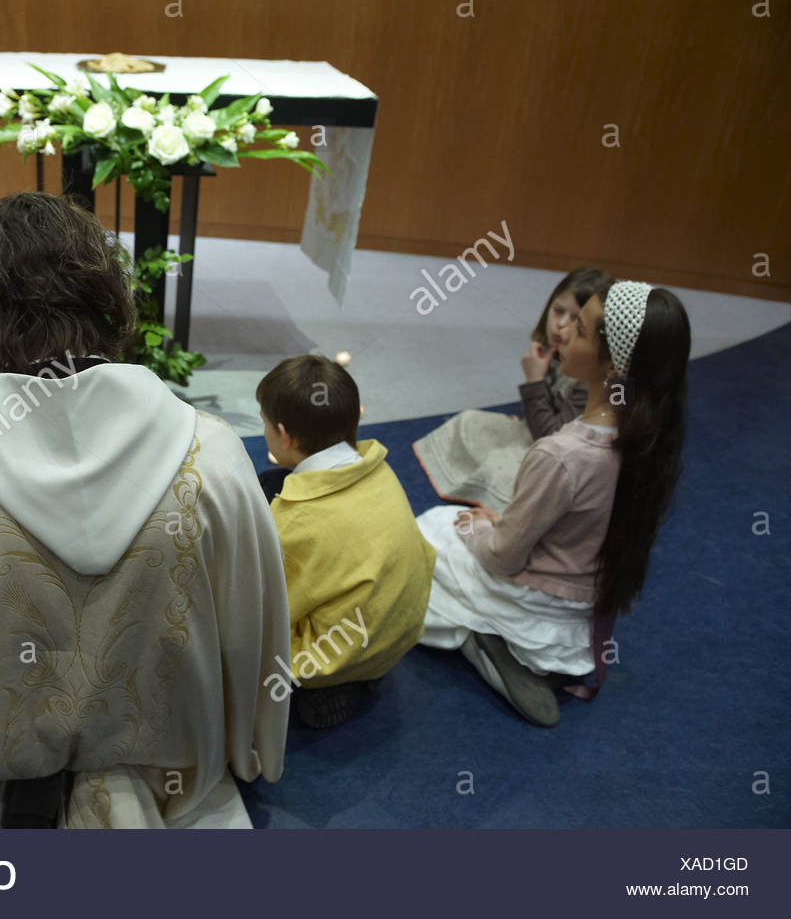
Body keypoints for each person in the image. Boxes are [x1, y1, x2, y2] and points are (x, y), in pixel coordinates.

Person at [0, 192, 290, 828]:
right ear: (115, 305)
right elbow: (257, 628)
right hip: (170, 784)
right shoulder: (215, 462)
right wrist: (251, 746)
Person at [413, 281, 691, 726]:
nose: (561, 334)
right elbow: (577, 527)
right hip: (575, 618)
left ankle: (487, 641)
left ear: (612, 364)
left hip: (531, 604)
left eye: (578, 330)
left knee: (426, 533)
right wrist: (501, 519)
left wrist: (477, 527)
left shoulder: (562, 455)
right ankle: (505, 642)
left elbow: (503, 557)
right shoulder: (649, 441)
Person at [256, 356, 436, 728]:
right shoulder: (381, 468)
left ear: (285, 435)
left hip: (331, 656)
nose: (263, 430)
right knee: (274, 481)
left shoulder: (294, 521)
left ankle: (321, 685)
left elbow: (266, 606)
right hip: (399, 632)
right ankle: (364, 671)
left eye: (264, 421)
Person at [413, 268, 614, 510]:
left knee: (500, 472)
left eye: (576, 322)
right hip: (537, 433)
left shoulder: (588, 380)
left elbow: (553, 440)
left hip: (558, 457)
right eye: (558, 311)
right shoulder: (554, 351)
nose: (561, 325)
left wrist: (533, 382)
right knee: (469, 421)